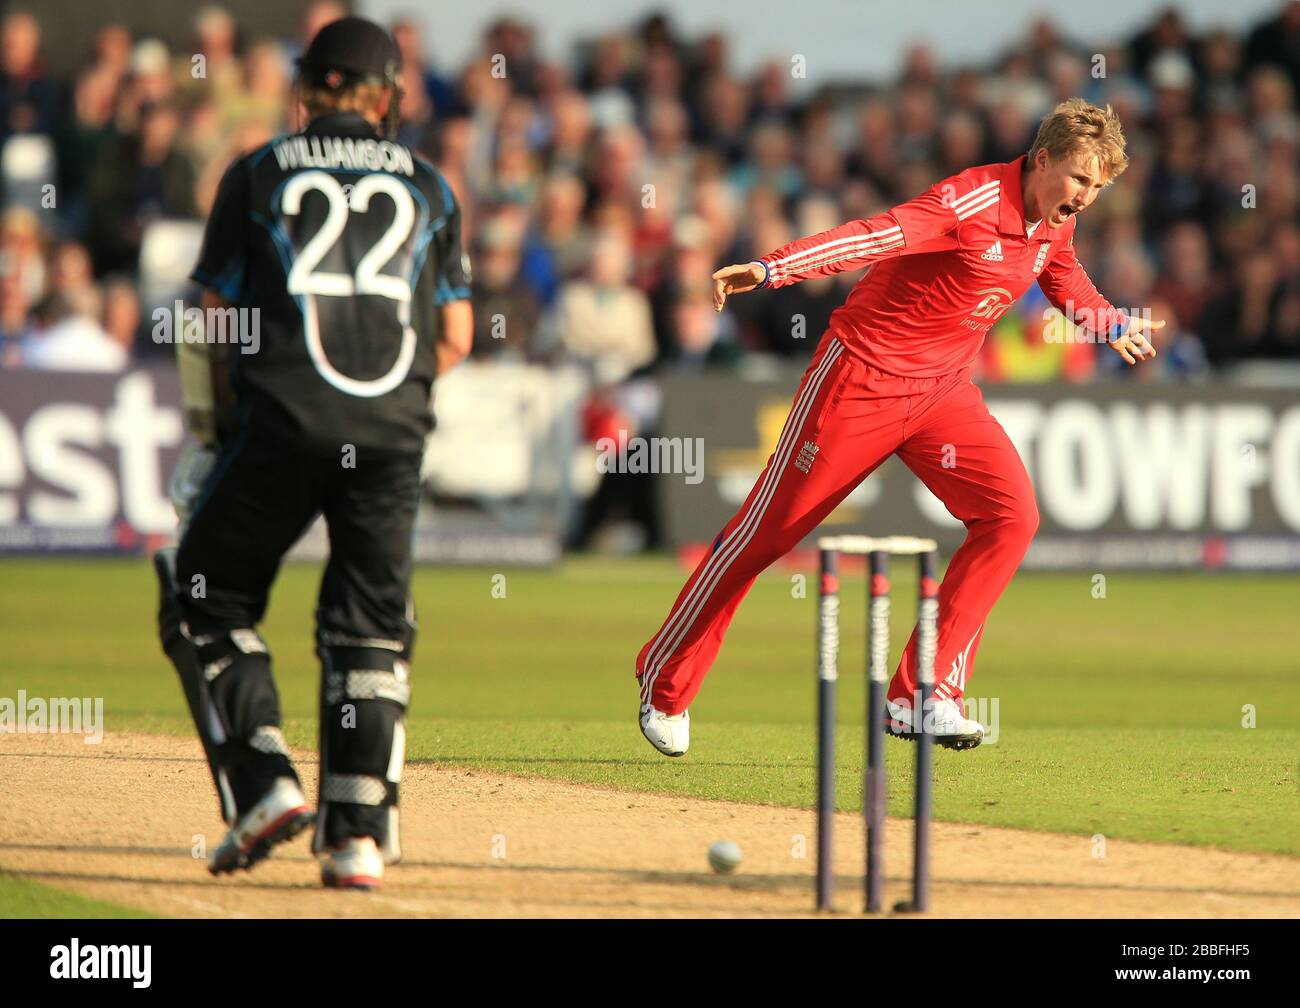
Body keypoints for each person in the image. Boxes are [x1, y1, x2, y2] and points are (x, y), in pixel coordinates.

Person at [635, 98, 1164, 757]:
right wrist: (774, 268)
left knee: (1012, 517)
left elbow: (1063, 274)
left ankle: (923, 693)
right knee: (765, 535)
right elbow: (872, 235)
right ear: (1044, 158)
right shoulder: (966, 202)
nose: (1086, 197)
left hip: (942, 394)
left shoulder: (1053, 222)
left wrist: (1109, 324)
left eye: (1099, 187)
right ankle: (664, 681)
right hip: (859, 380)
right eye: (1081, 179)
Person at [155, 16, 472, 889]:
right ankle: (357, 841)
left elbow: (211, 322)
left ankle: (262, 786)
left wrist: (213, 427)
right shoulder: (432, 184)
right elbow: (455, 332)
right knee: (370, 630)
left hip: (283, 419)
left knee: (200, 595)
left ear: (311, 88)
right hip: (393, 433)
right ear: (385, 96)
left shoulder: (257, 172)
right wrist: (394, 403)